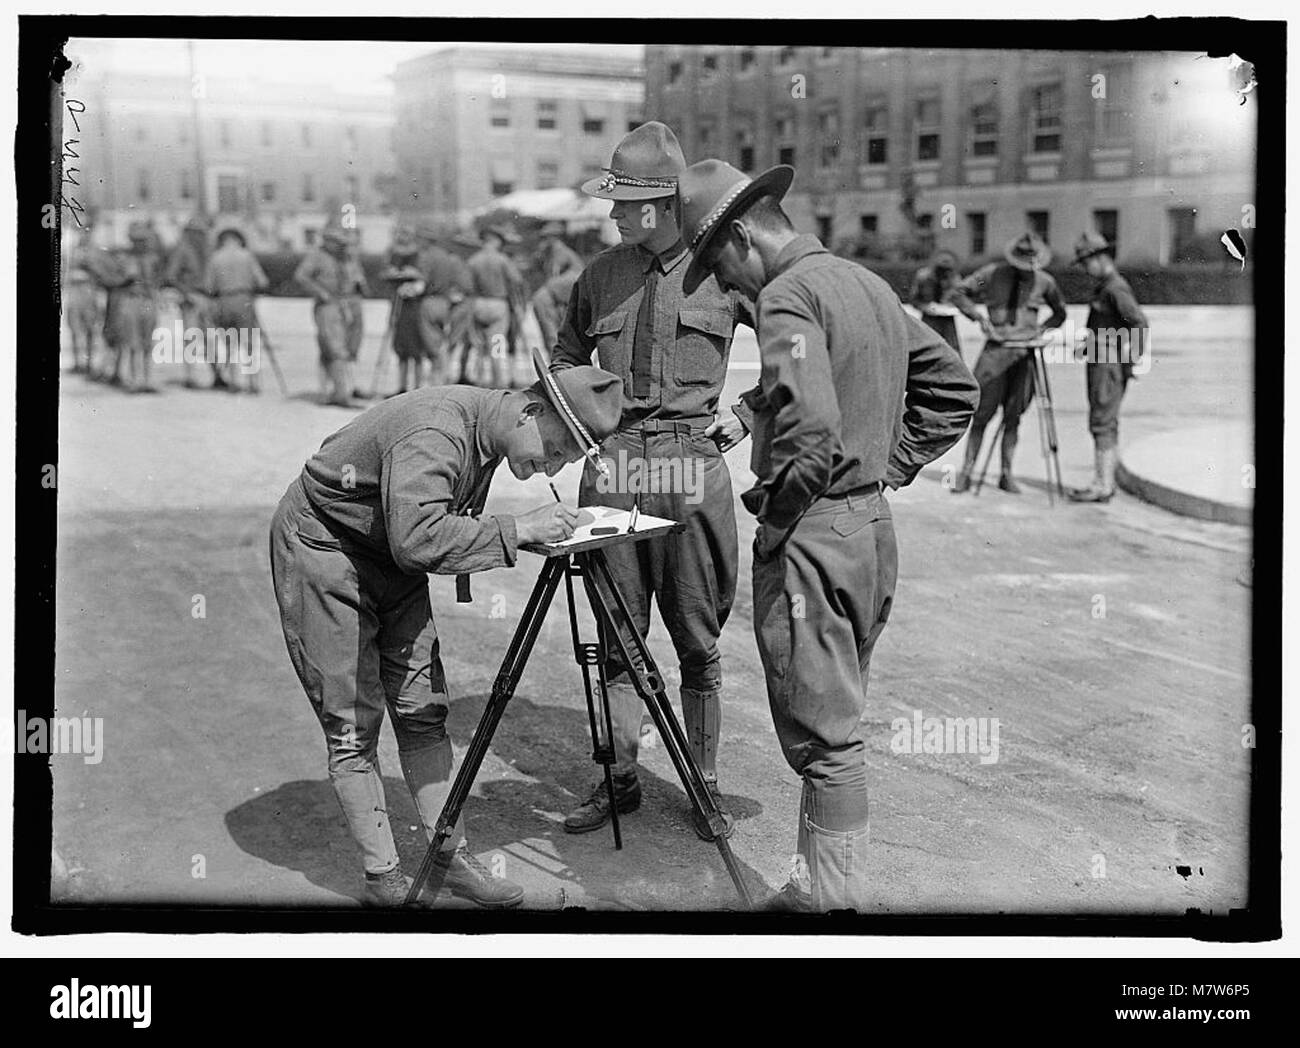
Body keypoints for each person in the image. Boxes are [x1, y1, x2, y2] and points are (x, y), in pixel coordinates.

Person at [679, 158, 979, 910]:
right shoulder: (865, 282)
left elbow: (810, 434)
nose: (725, 286)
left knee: (826, 743)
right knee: (833, 727)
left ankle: (831, 914)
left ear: (741, 234)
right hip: (870, 531)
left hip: (814, 539)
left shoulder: (786, 293)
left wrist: (776, 521)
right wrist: (883, 468)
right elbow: (952, 391)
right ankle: (814, 891)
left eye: (718, 264)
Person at [269, 351, 623, 907]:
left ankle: (449, 857)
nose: (552, 469)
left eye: (563, 463)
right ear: (531, 411)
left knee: (422, 708)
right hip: (327, 549)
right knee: (351, 721)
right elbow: (418, 541)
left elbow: (415, 540)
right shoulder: (438, 431)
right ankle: (383, 876)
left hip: (389, 554)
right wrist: (519, 530)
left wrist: (516, 530)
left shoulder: (488, 431)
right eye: (555, 451)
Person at [550, 121, 754, 841]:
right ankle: (620, 778)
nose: (611, 214)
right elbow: (565, 356)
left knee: (698, 638)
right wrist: (574, 416)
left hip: (689, 465)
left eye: (622, 202)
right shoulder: (599, 276)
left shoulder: (722, 267)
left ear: (663, 203)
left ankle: (705, 781)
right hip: (615, 466)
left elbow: (802, 340)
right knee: (614, 637)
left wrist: (753, 410)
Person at [949, 232, 1067, 494]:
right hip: (995, 352)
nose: (1024, 271)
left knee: (1014, 417)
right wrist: (978, 318)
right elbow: (959, 292)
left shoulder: (1045, 282)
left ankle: (1006, 474)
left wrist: (1042, 331)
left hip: (1025, 355)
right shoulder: (990, 274)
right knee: (980, 415)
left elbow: (1060, 312)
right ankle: (967, 473)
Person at [1066, 231, 1150, 503]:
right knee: (1105, 421)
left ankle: (1102, 485)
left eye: (1086, 263)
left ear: (1100, 258)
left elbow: (1138, 322)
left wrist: (1132, 359)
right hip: (1101, 359)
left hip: (1107, 365)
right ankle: (1105, 482)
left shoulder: (1115, 287)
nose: (1085, 270)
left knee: (1102, 421)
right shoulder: (1105, 286)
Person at [295, 223, 361, 407]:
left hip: (340, 305)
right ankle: (340, 394)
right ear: (328, 241)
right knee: (334, 348)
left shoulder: (341, 258)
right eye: (338, 242)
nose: (341, 246)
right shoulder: (317, 256)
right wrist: (320, 292)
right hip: (327, 306)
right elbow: (301, 276)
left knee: (335, 349)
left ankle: (333, 392)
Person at [204, 226, 270, 393]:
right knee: (248, 343)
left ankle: (234, 381)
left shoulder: (215, 258)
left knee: (229, 343)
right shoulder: (247, 256)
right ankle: (253, 382)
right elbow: (262, 281)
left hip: (224, 300)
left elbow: (208, 286)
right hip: (244, 300)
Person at [103, 219, 163, 393]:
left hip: (148, 300)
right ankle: (135, 380)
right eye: (137, 240)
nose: (140, 243)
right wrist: (124, 280)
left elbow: (158, 279)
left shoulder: (153, 259)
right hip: (130, 300)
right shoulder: (123, 258)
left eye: (143, 240)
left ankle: (147, 380)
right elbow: (111, 280)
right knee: (133, 342)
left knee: (147, 342)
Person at [414, 223, 474, 388]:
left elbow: (421, 284)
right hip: (446, 302)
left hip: (430, 301)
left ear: (425, 240)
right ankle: (445, 376)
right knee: (447, 342)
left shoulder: (426, 257)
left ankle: (437, 380)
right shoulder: (447, 258)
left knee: (434, 345)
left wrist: (409, 288)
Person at [467, 225, 527, 389]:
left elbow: (467, 285)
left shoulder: (473, 260)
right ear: (495, 241)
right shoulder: (502, 260)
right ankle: (499, 382)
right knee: (497, 344)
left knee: (479, 345)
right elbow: (517, 281)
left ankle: (479, 381)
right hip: (498, 305)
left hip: (478, 304)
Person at [165, 215, 218, 389]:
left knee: (211, 339)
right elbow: (171, 276)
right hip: (191, 299)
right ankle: (190, 376)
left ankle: (217, 375)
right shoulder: (182, 250)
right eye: (196, 232)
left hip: (207, 298)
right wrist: (186, 293)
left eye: (201, 232)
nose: (199, 236)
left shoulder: (208, 251)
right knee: (191, 339)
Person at [380, 230, 430, 394]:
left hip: (414, 307)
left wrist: (414, 279)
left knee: (416, 349)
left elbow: (425, 279)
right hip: (398, 305)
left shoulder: (419, 255)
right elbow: (385, 273)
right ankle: (402, 386)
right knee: (401, 348)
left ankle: (417, 386)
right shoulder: (392, 253)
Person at [909, 249, 982, 352]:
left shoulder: (954, 278)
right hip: (929, 320)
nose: (945, 273)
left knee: (952, 352)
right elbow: (914, 300)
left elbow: (960, 299)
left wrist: (977, 316)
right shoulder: (923, 277)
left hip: (948, 322)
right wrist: (926, 307)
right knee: (928, 351)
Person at [530, 266, 581, 355]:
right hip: (546, 299)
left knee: (555, 335)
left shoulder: (578, 276)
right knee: (551, 335)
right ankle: (556, 363)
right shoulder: (580, 281)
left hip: (551, 299)